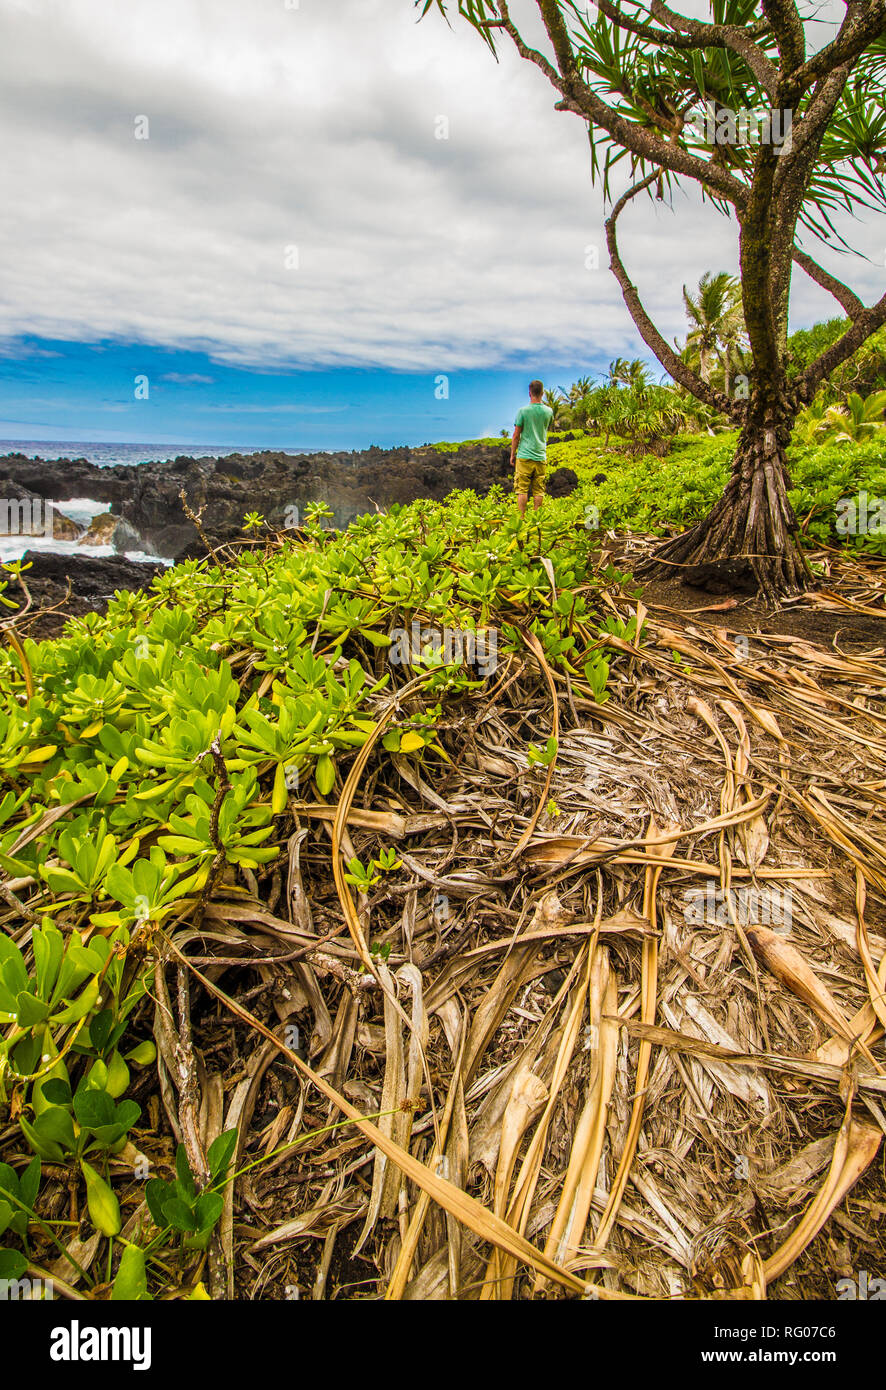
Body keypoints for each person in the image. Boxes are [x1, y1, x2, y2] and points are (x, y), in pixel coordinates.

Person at [511, 380, 554, 519]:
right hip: (541, 455)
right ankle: (536, 520)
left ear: (529, 393)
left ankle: (522, 519)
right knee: (538, 491)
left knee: (522, 489)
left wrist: (512, 454)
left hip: (524, 455)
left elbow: (516, 435)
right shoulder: (549, 412)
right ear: (542, 393)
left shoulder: (522, 411)